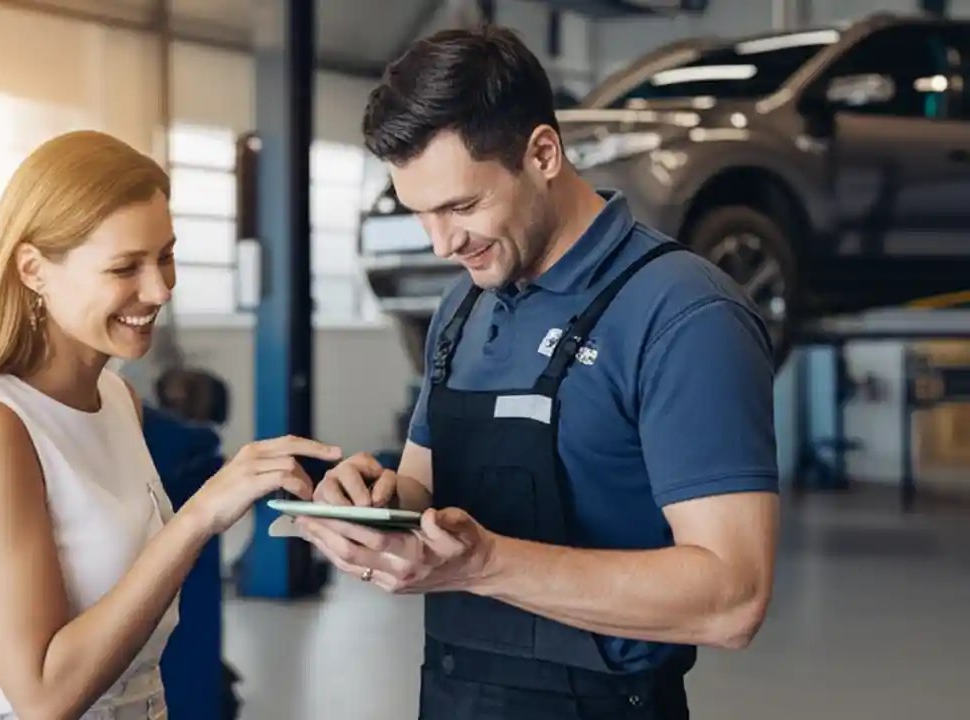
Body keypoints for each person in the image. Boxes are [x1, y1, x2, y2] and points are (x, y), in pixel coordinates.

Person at [296, 26, 779, 719]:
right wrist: (369, 501)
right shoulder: (463, 304)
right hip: (455, 696)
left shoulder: (684, 314)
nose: (442, 243)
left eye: (462, 206)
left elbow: (733, 597)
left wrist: (484, 564)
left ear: (543, 153)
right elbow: (421, 488)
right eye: (422, 214)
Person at [0, 130, 341, 720]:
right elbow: (45, 697)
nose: (159, 289)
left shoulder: (116, 399)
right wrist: (199, 516)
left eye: (166, 255)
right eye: (125, 267)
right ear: (33, 270)